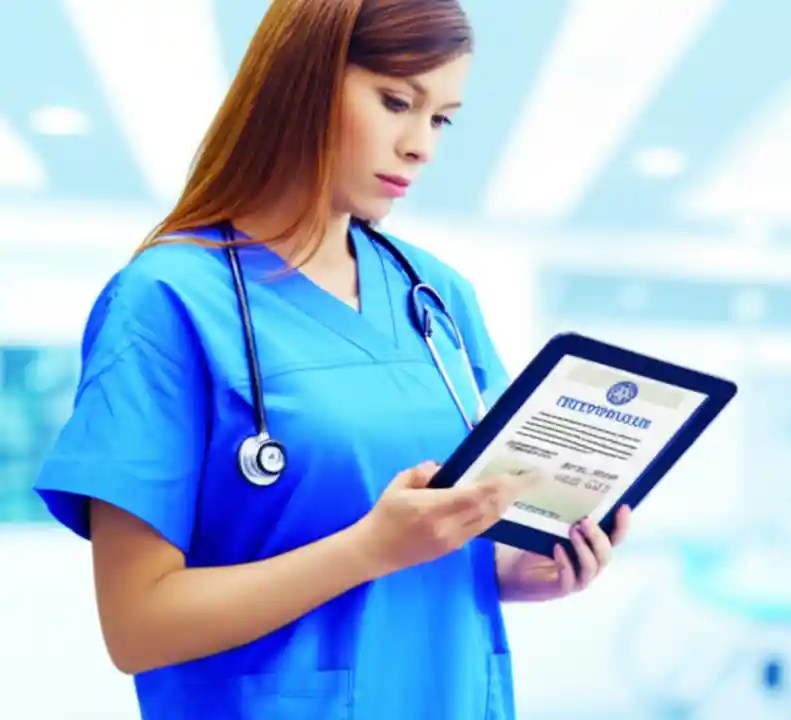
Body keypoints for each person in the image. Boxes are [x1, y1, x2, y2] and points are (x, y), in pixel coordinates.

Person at [31, 1, 631, 718]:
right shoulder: (167, 301)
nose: (421, 147)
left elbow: (434, 546)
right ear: (302, 81)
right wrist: (368, 549)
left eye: (440, 119)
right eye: (396, 102)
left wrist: (515, 569)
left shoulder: (438, 300)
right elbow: (137, 625)